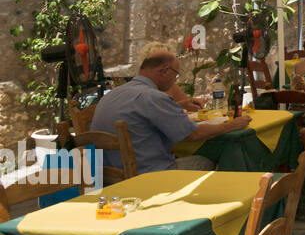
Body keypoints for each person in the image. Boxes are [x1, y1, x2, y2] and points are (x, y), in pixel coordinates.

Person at [91, 46, 251, 173]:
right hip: (147, 175)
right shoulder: (153, 97)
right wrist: (233, 125)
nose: (176, 79)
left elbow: (144, 114)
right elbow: (194, 134)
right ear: (164, 70)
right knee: (207, 160)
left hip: (110, 176)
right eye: (176, 74)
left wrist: (180, 105)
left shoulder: (114, 94)